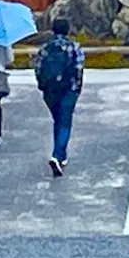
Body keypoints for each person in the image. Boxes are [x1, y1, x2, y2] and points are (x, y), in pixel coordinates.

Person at [34, 17, 84, 177]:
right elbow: (78, 69)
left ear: (53, 30)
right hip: (68, 90)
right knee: (65, 122)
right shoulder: (74, 47)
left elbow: (38, 68)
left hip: (50, 91)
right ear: (68, 30)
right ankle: (57, 155)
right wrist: (76, 89)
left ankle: (60, 155)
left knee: (58, 120)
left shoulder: (45, 48)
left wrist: (43, 86)